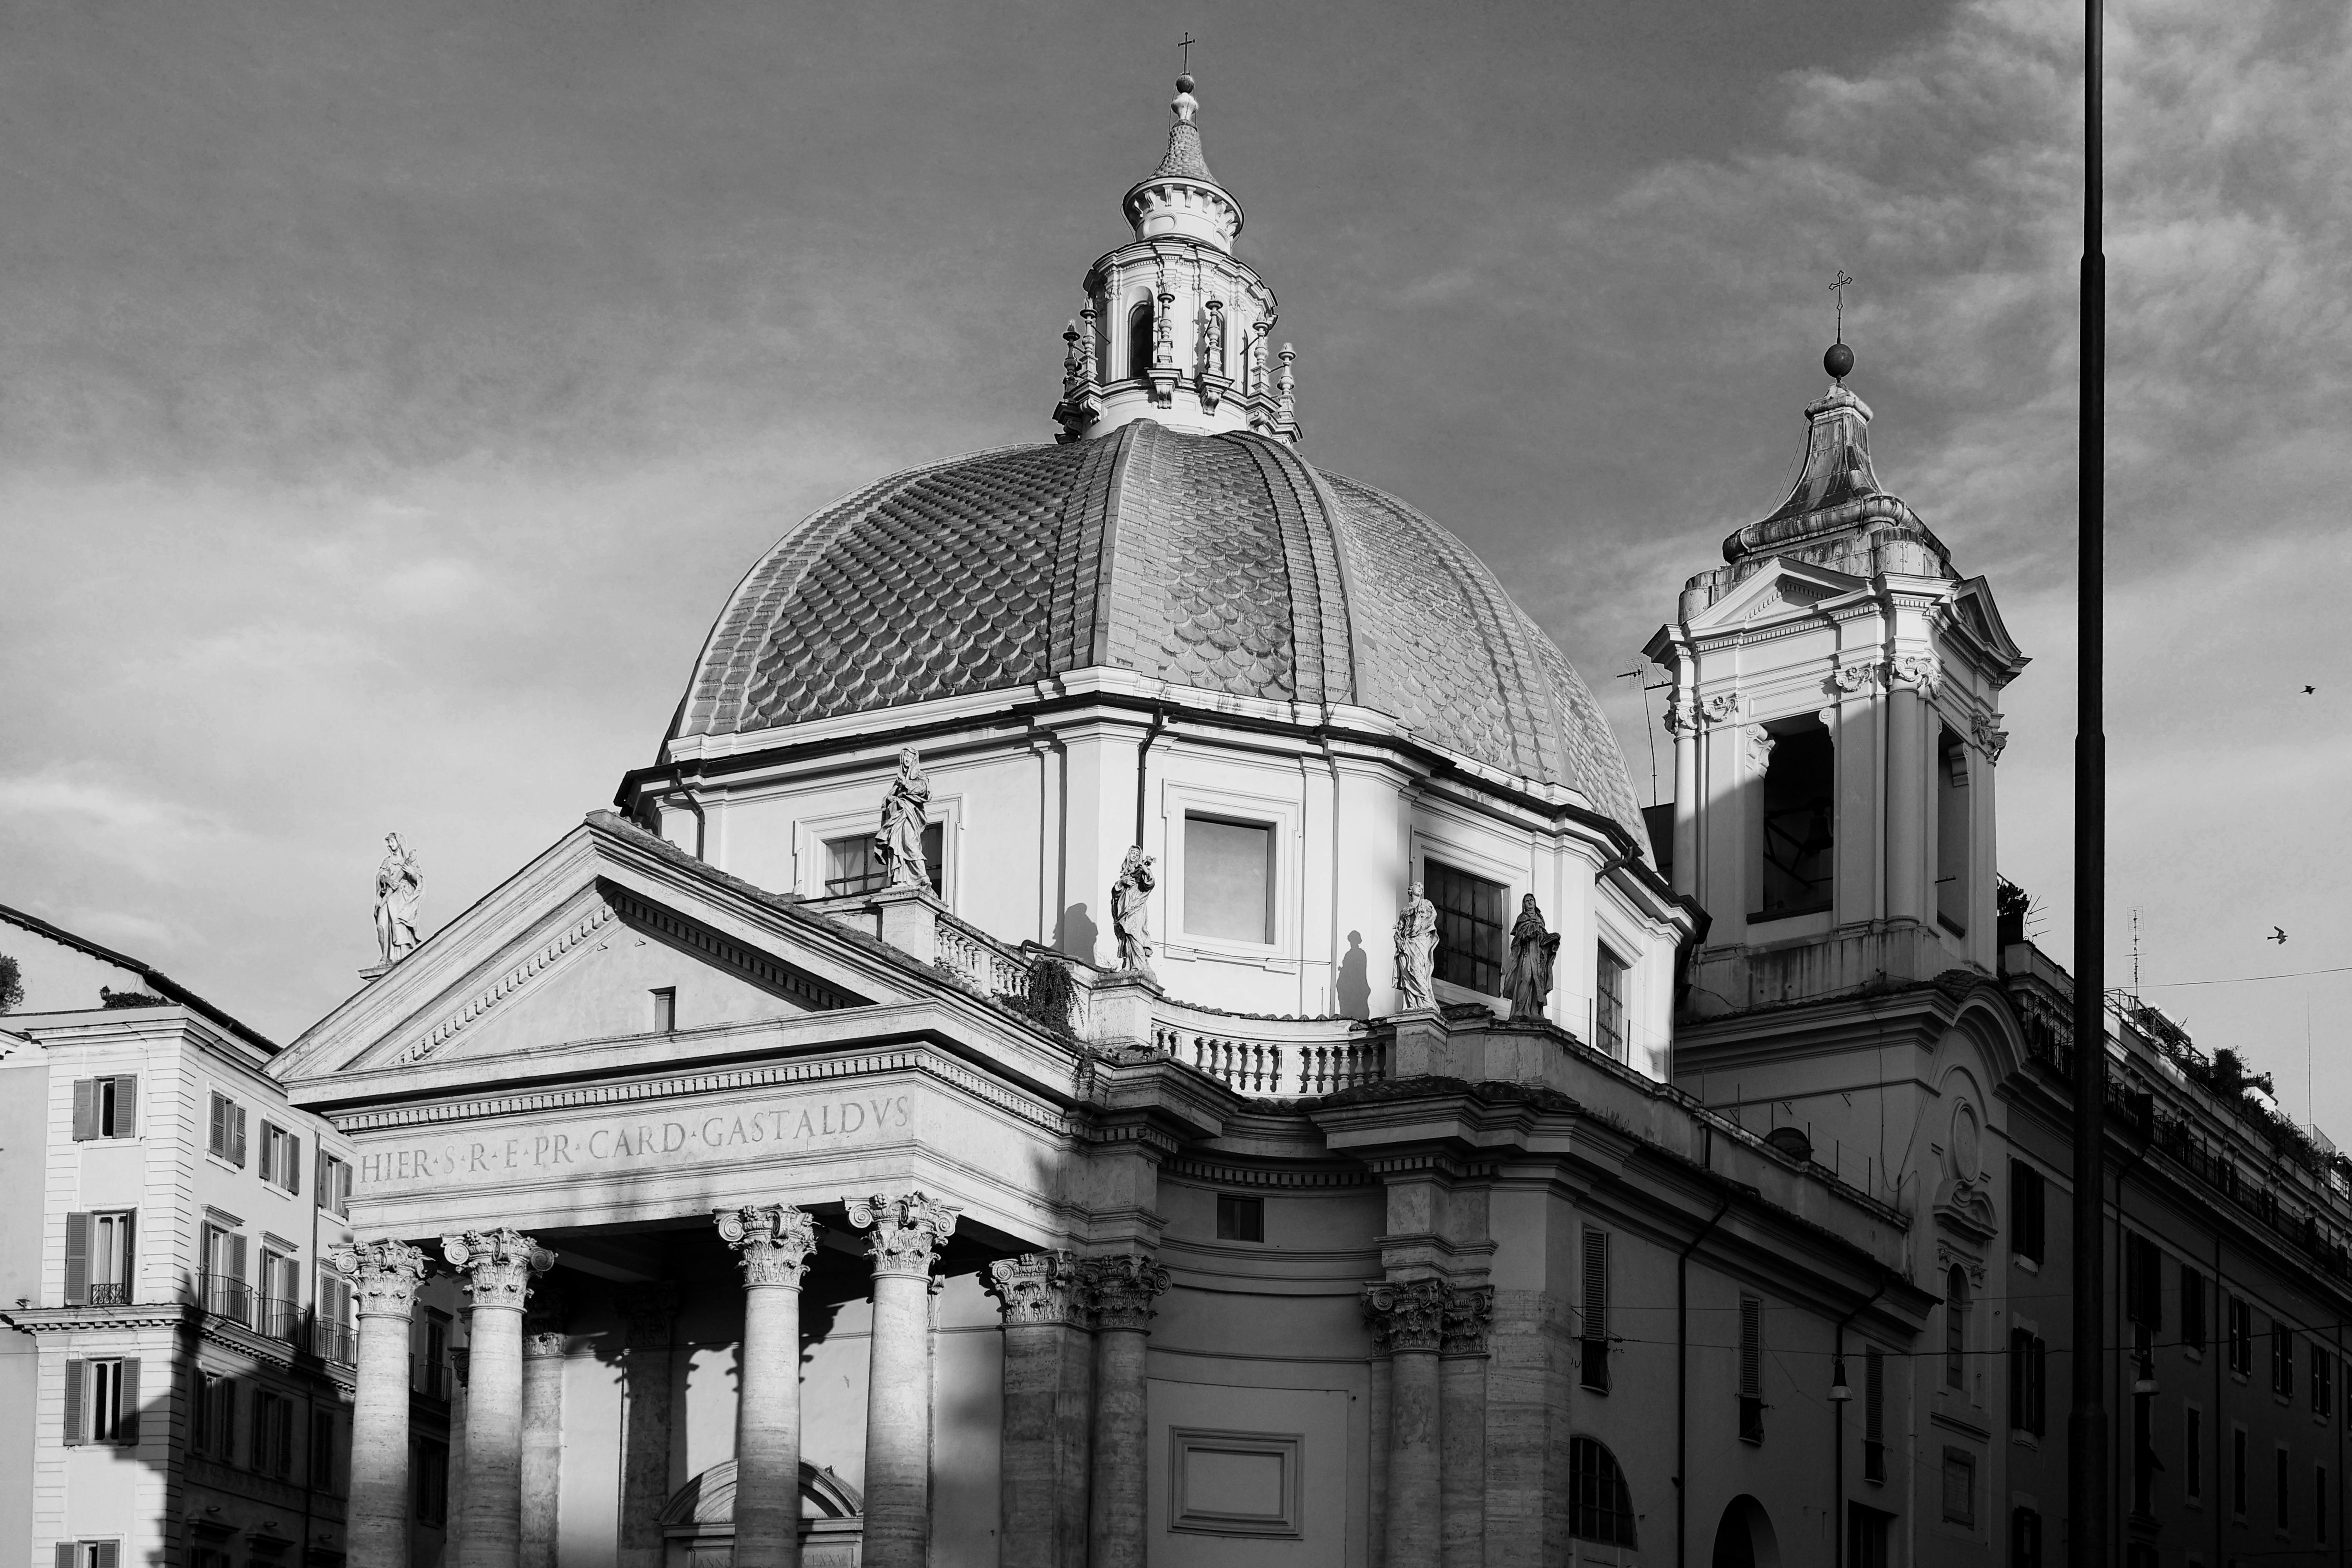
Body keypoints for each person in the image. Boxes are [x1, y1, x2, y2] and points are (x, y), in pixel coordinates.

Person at [875, 747, 933, 891]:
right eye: (905, 756)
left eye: (910, 757)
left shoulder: (920, 776)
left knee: (909, 842)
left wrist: (905, 784)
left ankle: (922, 876)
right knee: (897, 844)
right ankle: (900, 878)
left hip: (910, 814)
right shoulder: (899, 779)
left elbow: (924, 790)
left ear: (915, 760)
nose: (907, 759)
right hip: (899, 814)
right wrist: (893, 799)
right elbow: (888, 798)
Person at [1503, 893, 1562, 1023]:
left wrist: (1552, 940)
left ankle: (1536, 1012)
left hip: (1540, 955)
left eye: (1531, 900)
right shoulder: (1522, 918)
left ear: (1535, 903)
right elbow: (1519, 939)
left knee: (1539, 983)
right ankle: (1521, 1010)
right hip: (1528, 953)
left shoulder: (1540, 920)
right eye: (1527, 901)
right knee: (1527, 978)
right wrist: (1529, 935)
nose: (1530, 902)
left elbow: (1543, 937)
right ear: (1524, 905)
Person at [374, 832, 425, 964]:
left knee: (399, 926)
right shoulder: (387, 861)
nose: (391, 844)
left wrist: (411, 873)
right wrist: (388, 881)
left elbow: (418, 879)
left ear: (400, 843)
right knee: (381, 926)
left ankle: (401, 957)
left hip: (402, 898)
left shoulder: (409, 861)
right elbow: (380, 876)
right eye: (389, 841)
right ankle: (385, 956)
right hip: (387, 897)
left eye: (393, 841)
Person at [1111, 847, 1158, 976]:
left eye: (1137, 854)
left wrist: (1146, 870)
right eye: (1133, 853)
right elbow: (1116, 895)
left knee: (1134, 933)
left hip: (1137, 906)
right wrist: (1122, 882)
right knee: (1126, 936)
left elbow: (1150, 884)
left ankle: (1140, 965)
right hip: (1125, 908)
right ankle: (1128, 965)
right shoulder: (1126, 875)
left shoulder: (1141, 871)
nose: (1134, 855)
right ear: (1129, 855)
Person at [1393, 880, 1438, 1011]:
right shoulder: (1405, 910)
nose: (1421, 889)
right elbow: (1400, 929)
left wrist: (1419, 919)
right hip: (1405, 943)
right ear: (1411, 889)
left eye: (1422, 887)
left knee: (1416, 968)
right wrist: (1398, 939)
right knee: (1406, 971)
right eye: (1418, 886)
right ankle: (1413, 1004)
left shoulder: (1426, 904)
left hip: (1419, 941)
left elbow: (1431, 918)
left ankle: (1425, 999)